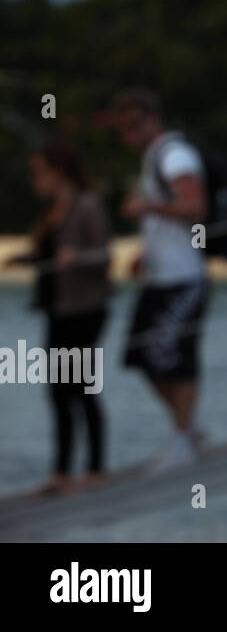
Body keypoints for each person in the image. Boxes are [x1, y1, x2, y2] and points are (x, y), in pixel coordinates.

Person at [3, 141, 112, 497]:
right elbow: (48, 254)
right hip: (57, 309)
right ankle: (61, 472)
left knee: (80, 387)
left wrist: (77, 258)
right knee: (58, 392)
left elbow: (104, 255)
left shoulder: (86, 205)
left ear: (58, 170)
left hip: (84, 309)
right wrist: (23, 260)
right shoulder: (54, 209)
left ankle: (95, 469)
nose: (35, 179)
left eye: (39, 171)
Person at [109, 89, 210, 472]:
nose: (131, 133)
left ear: (154, 119)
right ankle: (187, 431)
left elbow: (195, 207)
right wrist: (145, 253)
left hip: (184, 277)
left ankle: (182, 438)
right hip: (162, 276)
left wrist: (146, 206)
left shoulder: (174, 154)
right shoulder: (155, 158)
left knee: (175, 358)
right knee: (142, 354)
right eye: (124, 128)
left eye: (136, 124)